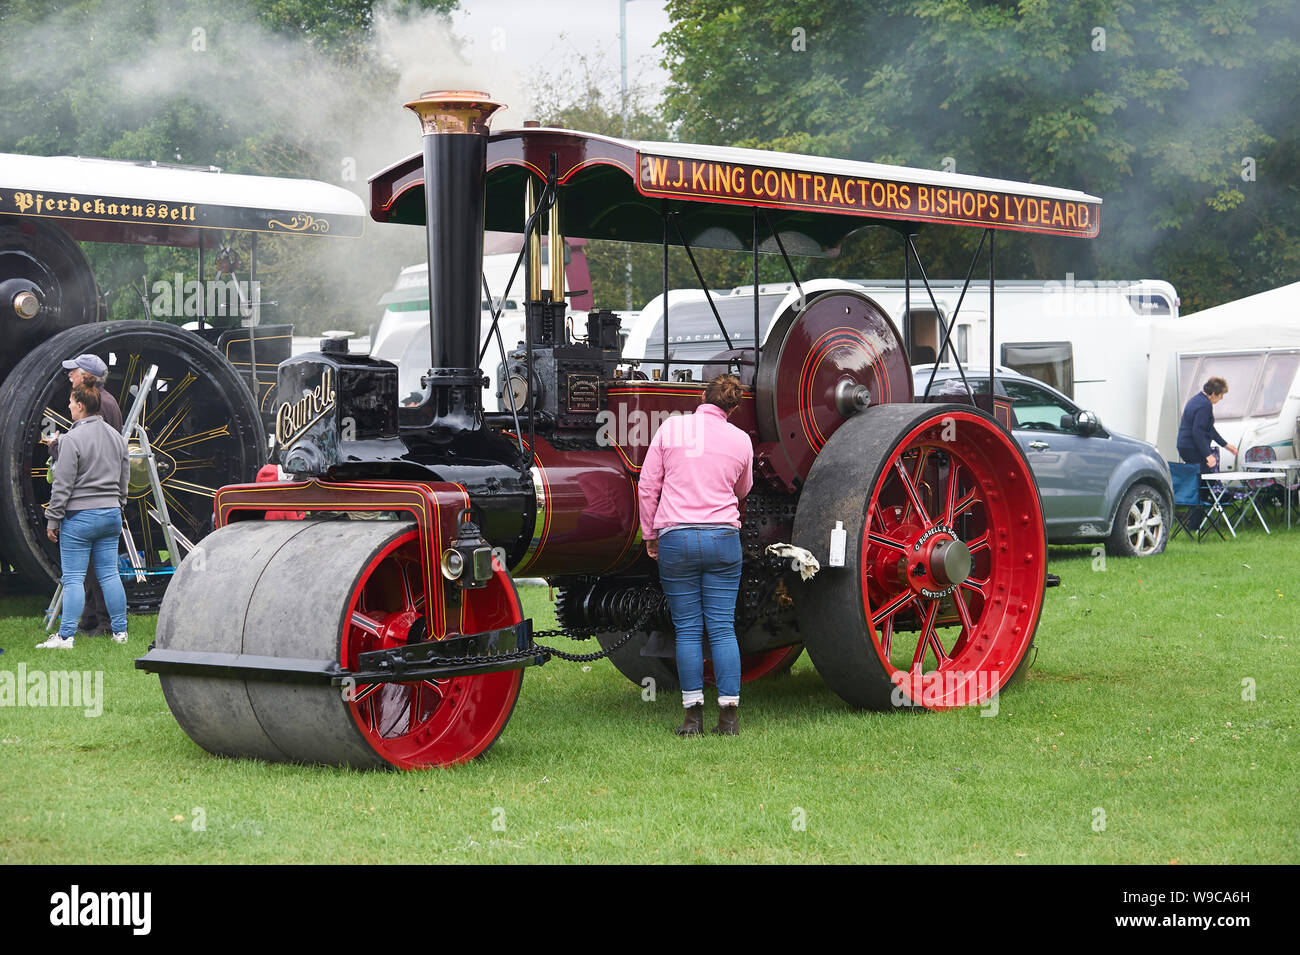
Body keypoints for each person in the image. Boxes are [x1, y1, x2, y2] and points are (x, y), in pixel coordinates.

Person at [637, 374, 753, 737]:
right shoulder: (741, 439)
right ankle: (729, 719)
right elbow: (743, 488)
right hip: (722, 538)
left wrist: (650, 535)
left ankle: (692, 720)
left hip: (677, 538)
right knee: (721, 629)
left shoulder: (672, 429)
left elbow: (647, 486)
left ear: (701, 396)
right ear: (732, 408)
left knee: (687, 629)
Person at [36, 385, 130, 649]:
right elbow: (125, 479)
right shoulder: (116, 437)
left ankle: (65, 636)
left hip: (79, 517)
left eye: (70, 402)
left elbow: (62, 485)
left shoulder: (70, 440)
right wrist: (118, 504)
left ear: (80, 405)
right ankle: (120, 633)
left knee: (74, 578)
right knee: (110, 575)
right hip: (111, 513)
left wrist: (53, 519)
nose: (68, 406)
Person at [48, 354, 123, 634]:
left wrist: (58, 446)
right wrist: (120, 500)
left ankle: (82, 627)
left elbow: (70, 474)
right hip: (109, 503)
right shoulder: (109, 405)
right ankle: (109, 624)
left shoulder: (96, 409)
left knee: (78, 575)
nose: (69, 376)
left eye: (74, 372)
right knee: (104, 571)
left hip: (84, 507)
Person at [1177, 377, 1237, 471]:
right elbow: (1198, 432)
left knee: (1197, 475)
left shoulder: (1196, 399)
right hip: (1192, 447)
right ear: (1213, 394)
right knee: (1206, 476)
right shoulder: (1205, 405)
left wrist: (1226, 445)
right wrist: (1208, 455)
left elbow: (1209, 429)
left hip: (1185, 445)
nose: (1220, 399)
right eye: (1220, 396)